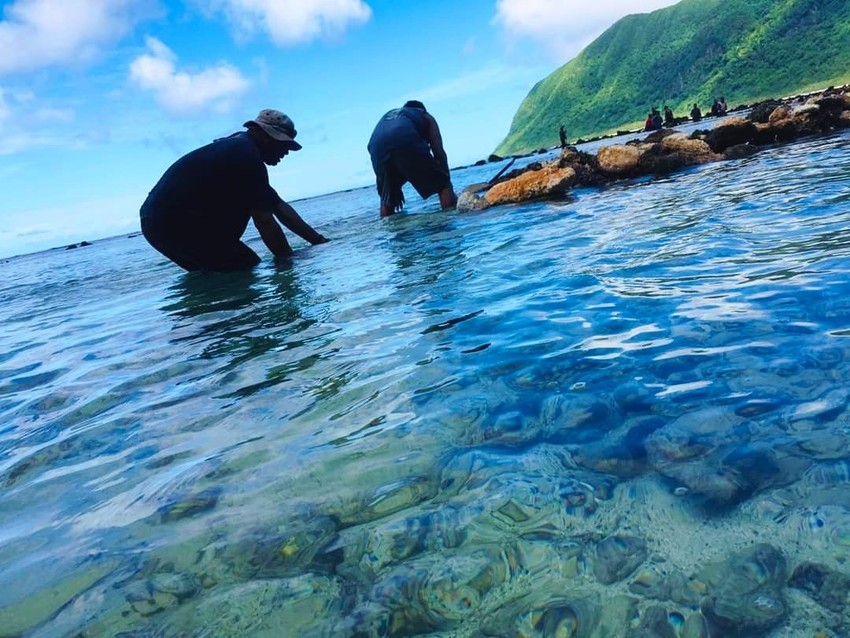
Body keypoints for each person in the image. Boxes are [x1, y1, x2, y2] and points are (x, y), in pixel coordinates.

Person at [140, 109, 328, 272]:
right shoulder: (245, 155)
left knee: (216, 276)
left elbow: (278, 206)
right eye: (284, 145)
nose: (286, 153)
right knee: (246, 266)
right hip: (178, 225)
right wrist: (288, 263)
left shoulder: (238, 149)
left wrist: (318, 241)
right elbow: (264, 220)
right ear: (266, 136)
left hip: (155, 225)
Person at [367, 100, 457, 217]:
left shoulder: (392, 115)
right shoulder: (425, 116)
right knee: (442, 184)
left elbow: (387, 149)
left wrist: (390, 189)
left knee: (388, 198)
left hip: (376, 146)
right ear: (422, 109)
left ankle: (388, 224)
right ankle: (449, 218)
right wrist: (445, 180)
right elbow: (438, 151)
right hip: (405, 137)